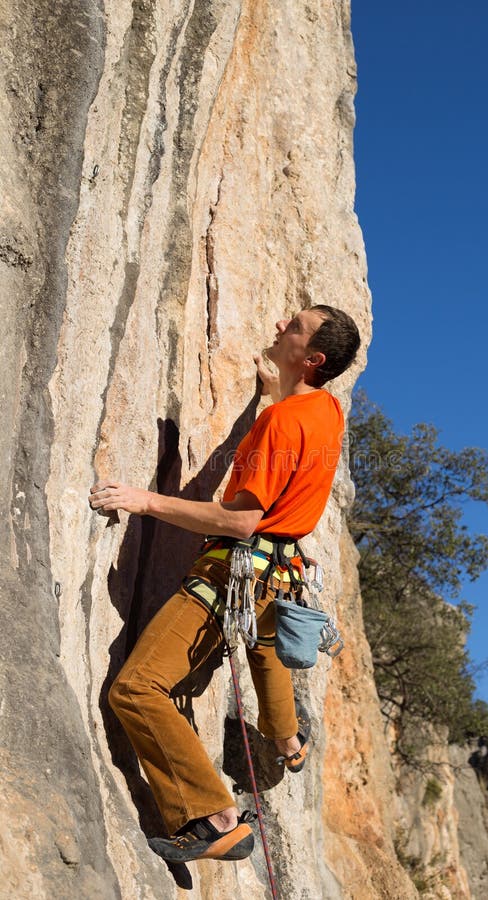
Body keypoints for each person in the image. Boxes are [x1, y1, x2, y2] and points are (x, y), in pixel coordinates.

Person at [89, 304, 360, 864]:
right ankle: (288, 740)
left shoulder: (284, 421)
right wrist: (271, 395)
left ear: (313, 358)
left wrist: (145, 501)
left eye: (297, 325)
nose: (282, 321)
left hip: (233, 570)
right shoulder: (325, 410)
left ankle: (213, 817)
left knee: (137, 689)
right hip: (278, 572)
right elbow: (290, 449)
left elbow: (240, 521)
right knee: (265, 646)